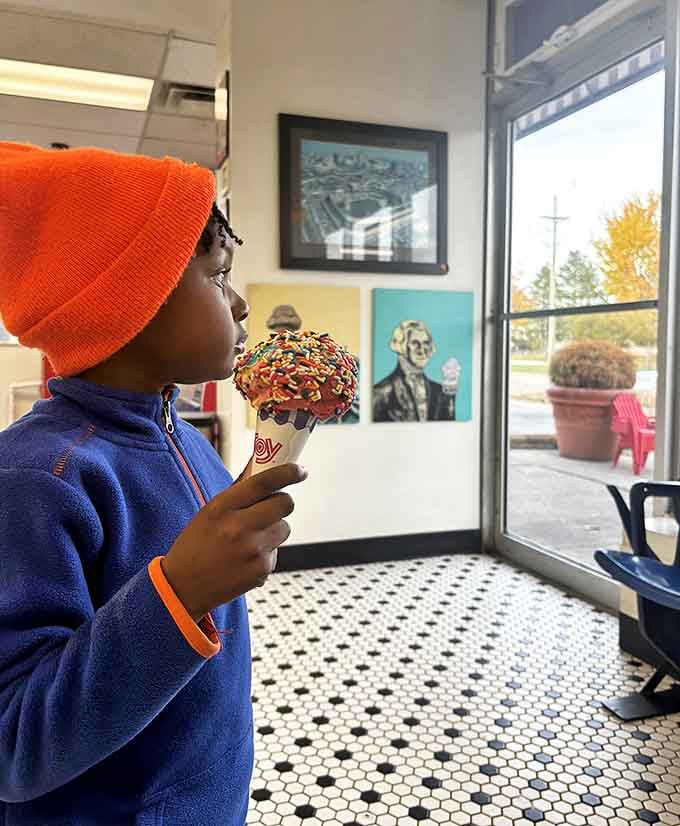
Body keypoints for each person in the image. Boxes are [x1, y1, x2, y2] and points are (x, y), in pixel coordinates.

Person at [0, 142, 307, 825]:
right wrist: (180, 592)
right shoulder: (37, 480)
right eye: (218, 275)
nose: (239, 303)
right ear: (130, 294)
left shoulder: (191, 441)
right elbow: (14, 745)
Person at [373, 319, 459, 422]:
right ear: (402, 346)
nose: (422, 350)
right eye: (415, 343)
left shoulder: (440, 392)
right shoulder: (381, 393)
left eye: (426, 343)